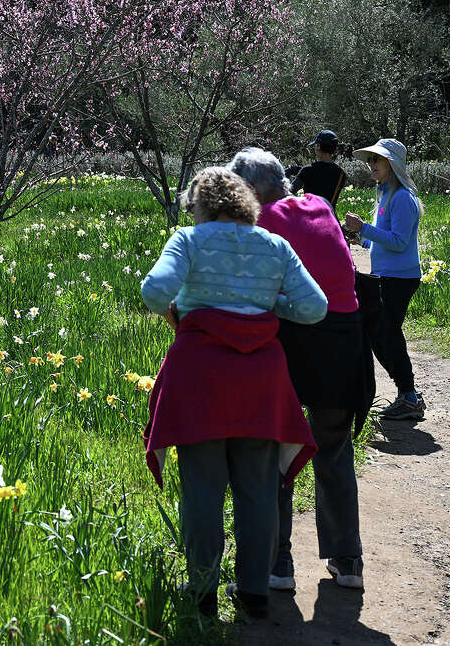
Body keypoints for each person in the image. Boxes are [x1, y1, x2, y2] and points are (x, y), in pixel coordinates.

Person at [140, 166, 326, 621]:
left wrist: (184, 303)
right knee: (259, 489)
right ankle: (255, 591)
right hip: (260, 380)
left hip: (200, 375)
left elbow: (153, 292)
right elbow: (315, 307)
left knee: (202, 490)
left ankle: (203, 590)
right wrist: (266, 305)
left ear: (200, 206)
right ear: (247, 203)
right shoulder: (275, 245)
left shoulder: (188, 240)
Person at [230, 147, 370, 591]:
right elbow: (342, 271)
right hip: (346, 340)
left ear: (250, 191)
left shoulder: (262, 223)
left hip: (296, 340)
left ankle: (277, 564)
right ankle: (347, 562)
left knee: (274, 451)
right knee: (333, 448)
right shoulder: (320, 207)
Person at [342, 138, 425, 421]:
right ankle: (407, 394)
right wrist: (358, 237)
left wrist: (363, 227)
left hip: (399, 278)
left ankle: (409, 395)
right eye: (370, 160)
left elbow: (400, 242)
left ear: (392, 163)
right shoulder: (386, 194)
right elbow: (382, 241)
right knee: (380, 334)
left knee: (386, 335)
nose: (371, 165)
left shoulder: (402, 197)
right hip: (387, 275)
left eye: (377, 159)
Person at [293, 130, 347, 211]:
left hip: (310, 217)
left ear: (318, 146)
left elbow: (290, 190)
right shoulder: (342, 174)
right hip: (330, 219)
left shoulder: (308, 170)